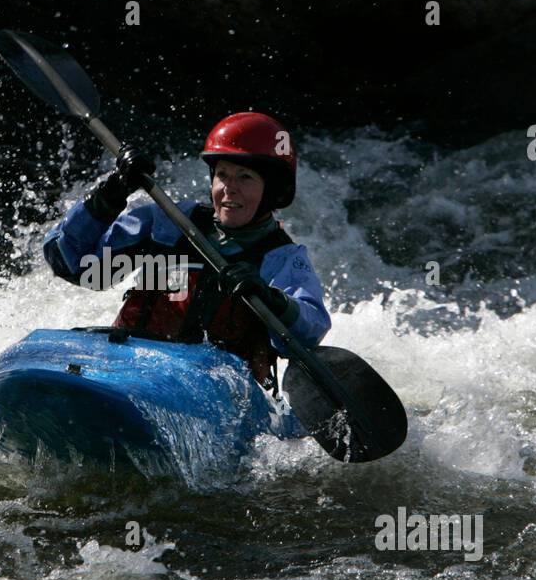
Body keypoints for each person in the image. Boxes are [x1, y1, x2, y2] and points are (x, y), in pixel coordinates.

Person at [43, 111, 331, 388]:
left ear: (273, 190)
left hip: (218, 392)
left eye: (245, 177)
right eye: (223, 175)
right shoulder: (168, 226)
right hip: (129, 368)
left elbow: (310, 331)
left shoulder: (282, 258)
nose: (229, 188)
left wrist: (270, 298)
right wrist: (111, 193)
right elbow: (74, 265)